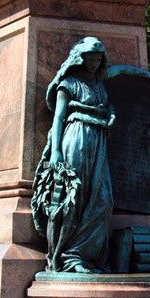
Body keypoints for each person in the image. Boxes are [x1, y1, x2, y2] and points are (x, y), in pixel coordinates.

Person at [31, 38, 115, 273]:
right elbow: (58, 118)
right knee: (74, 199)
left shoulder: (99, 83)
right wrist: (56, 151)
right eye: (91, 58)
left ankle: (87, 255)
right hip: (75, 139)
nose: (95, 62)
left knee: (103, 200)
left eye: (99, 58)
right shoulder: (68, 84)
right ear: (80, 58)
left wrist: (148, 77)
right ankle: (69, 257)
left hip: (98, 140)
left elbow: (120, 72)